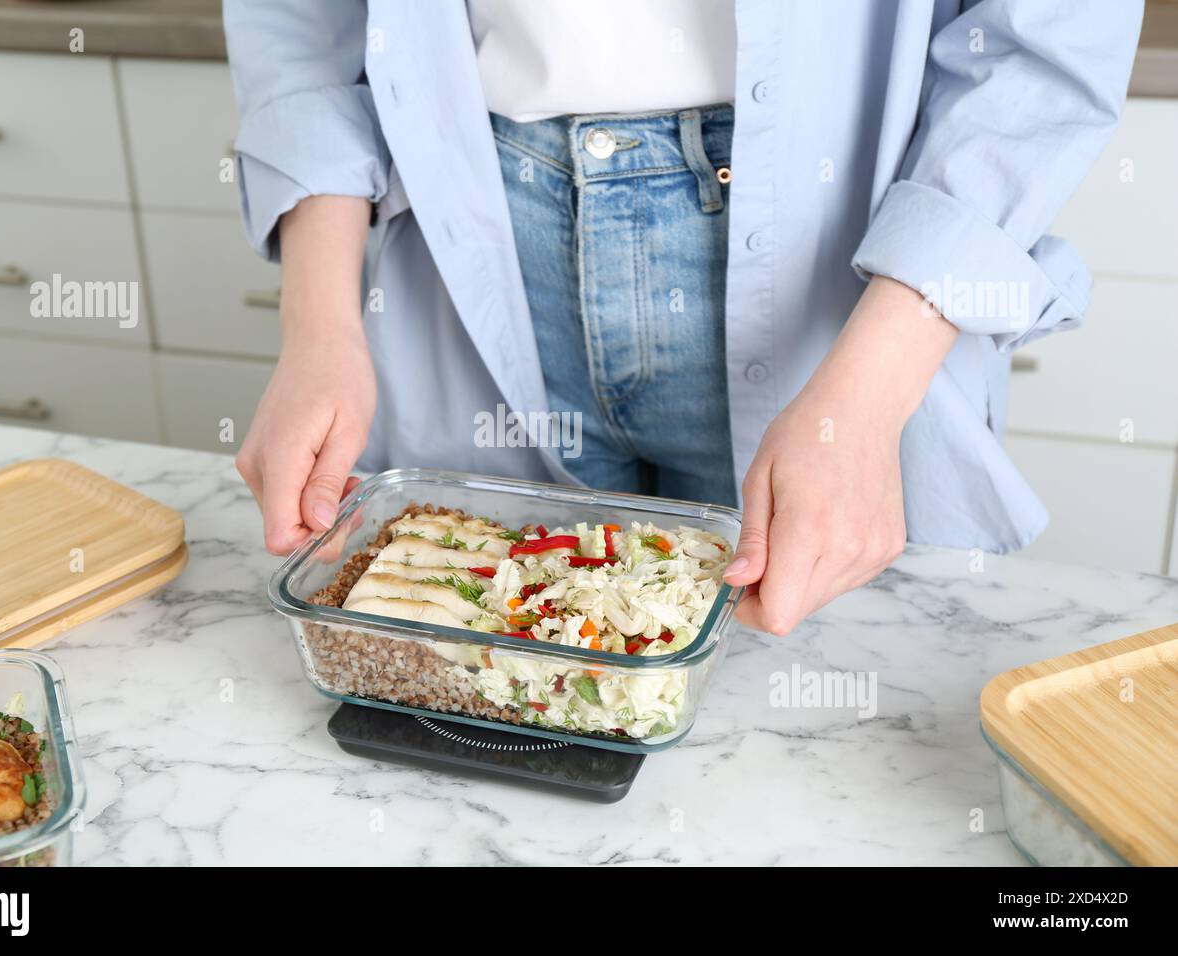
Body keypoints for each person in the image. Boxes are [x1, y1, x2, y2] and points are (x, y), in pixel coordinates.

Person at [223, 0, 1141, 635]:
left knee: (837, 748)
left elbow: (1044, 40)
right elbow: (299, 20)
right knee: (482, 710)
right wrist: (319, 323)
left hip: (840, 283)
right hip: (474, 250)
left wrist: (867, 397)